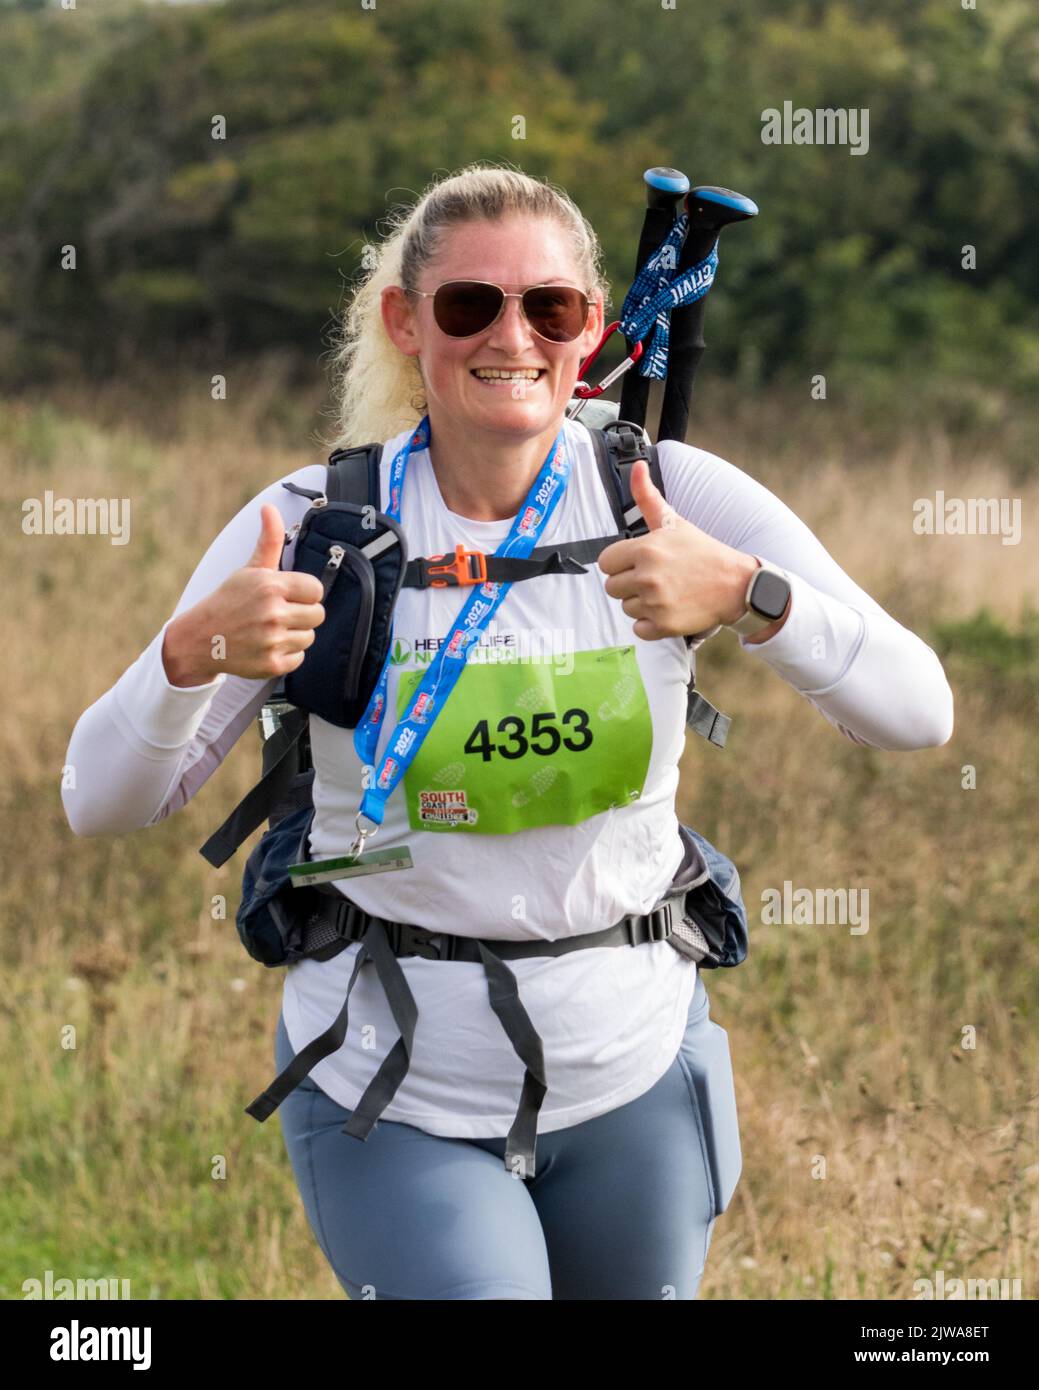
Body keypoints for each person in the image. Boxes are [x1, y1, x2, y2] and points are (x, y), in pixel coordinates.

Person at [62, 162, 954, 1301]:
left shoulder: (667, 492)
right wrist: (188, 659)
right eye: (469, 305)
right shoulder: (310, 521)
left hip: (632, 1072)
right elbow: (96, 798)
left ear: (590, 329)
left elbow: (920, 711)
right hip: (396, 1089)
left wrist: (747, 596)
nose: (512, 336)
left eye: (549, 307)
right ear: (405, 321)